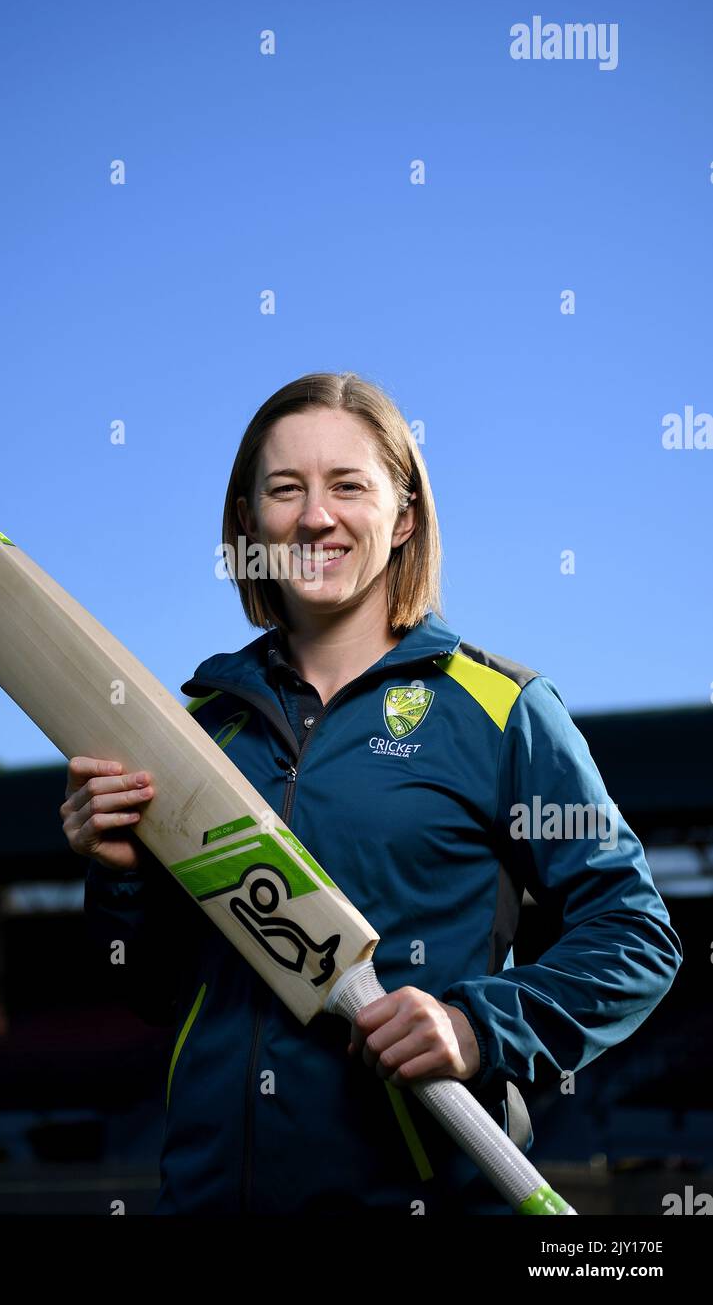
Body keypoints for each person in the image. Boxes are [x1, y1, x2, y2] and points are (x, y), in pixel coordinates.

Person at [61, 370, 683, 1215]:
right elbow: (148, 991)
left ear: (405, 517)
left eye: (348, 485)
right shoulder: (193, 733)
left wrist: (476, 1026)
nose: (315, 515)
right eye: (285, 489)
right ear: (248, 523)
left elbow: (635, 937)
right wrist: (119, 873)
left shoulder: (500, 711)